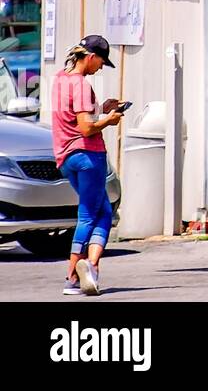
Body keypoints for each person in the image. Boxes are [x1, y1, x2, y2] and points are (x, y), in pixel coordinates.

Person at [51, 35, 122, 296]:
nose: (101, 67)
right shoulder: (81, 84)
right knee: (90, 215)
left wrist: (102, 108)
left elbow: (72, 116)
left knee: (103, 211)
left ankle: (91, 268)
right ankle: (72, 277)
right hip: (88, 155)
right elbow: (86, 127)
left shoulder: (60, 79)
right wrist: (109, 120)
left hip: (65, 156)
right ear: (91, 57)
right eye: (101, 61)